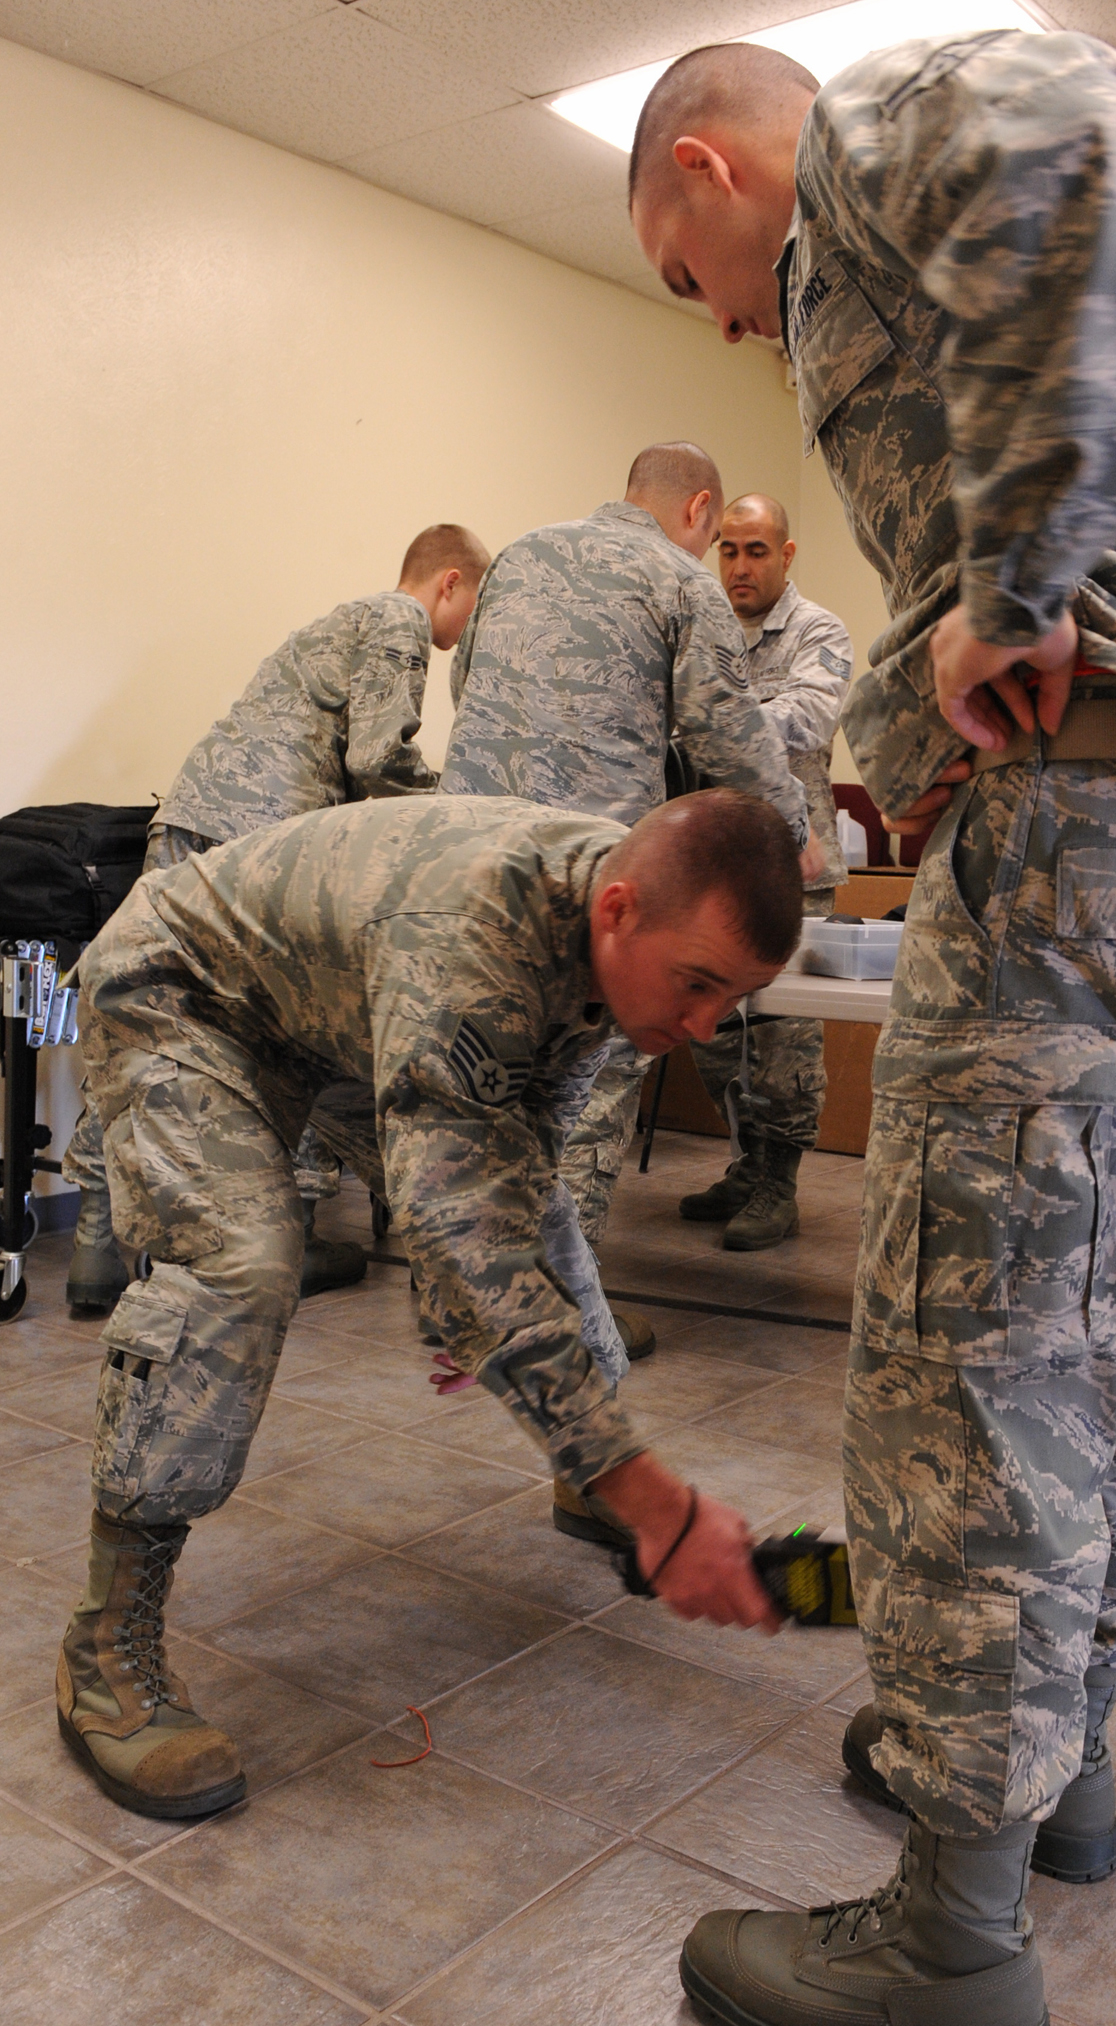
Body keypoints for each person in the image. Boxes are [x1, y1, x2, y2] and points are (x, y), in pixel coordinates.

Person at [631, 33, 1116, 2026]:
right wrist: (938, 706)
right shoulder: (910, 260)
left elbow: (1077, 134)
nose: (728, 319)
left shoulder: (884, 120)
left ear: (708, 166)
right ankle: (1051, 1780)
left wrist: (1013, 588)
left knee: (973, 1363)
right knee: (1110, 1362)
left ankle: (951, 1927)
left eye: (690, 272)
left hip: (1094, 850)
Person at [53, 788, 799, 1821]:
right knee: (241, 1260)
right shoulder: (476, 929)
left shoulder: (615, 922)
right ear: (618, 910)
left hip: (335, 1015)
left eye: (736, 1000)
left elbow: (509, 1174)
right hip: (184, 995)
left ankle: (591, 1475)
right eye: (699, 985)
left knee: (530, 1221)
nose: (703, 1025)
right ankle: (104, 1649)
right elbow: (461, 1224)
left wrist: (486, 1318)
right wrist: (660, 1505)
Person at [441, 442, 814, 1408]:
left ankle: (477, 1291)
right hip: (590, 873)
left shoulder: (519, 556)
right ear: (698, 510)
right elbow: (732, 738)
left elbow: (462, 692)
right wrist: (795, 840)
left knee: (483, 1085)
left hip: (466, 861)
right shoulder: (678, 587)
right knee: (587, 1098)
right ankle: (567, 1321)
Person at [63, 525, 490, 1312]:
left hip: (192, 822)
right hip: (257, 846)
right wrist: (463, 813)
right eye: (475, 613)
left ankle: (96, 1245)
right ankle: (285, 1230)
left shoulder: (338, 621)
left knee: (147, 1024)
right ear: (451, 584)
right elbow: (377, 761)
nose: (466, 640)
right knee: (281, 1030)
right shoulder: (399, 622)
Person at [677, 492, 851, 1251]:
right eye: (727, 549)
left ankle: (779, 1179)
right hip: (709, 864)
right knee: (713, 1031)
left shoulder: (818, 631)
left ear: (785, 555)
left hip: (791, 861)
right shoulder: (701, 626)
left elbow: (806, 720)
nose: (739, 565)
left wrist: (715, 720)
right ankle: (747, 1164)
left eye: (755, 550)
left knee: (781, 1037)